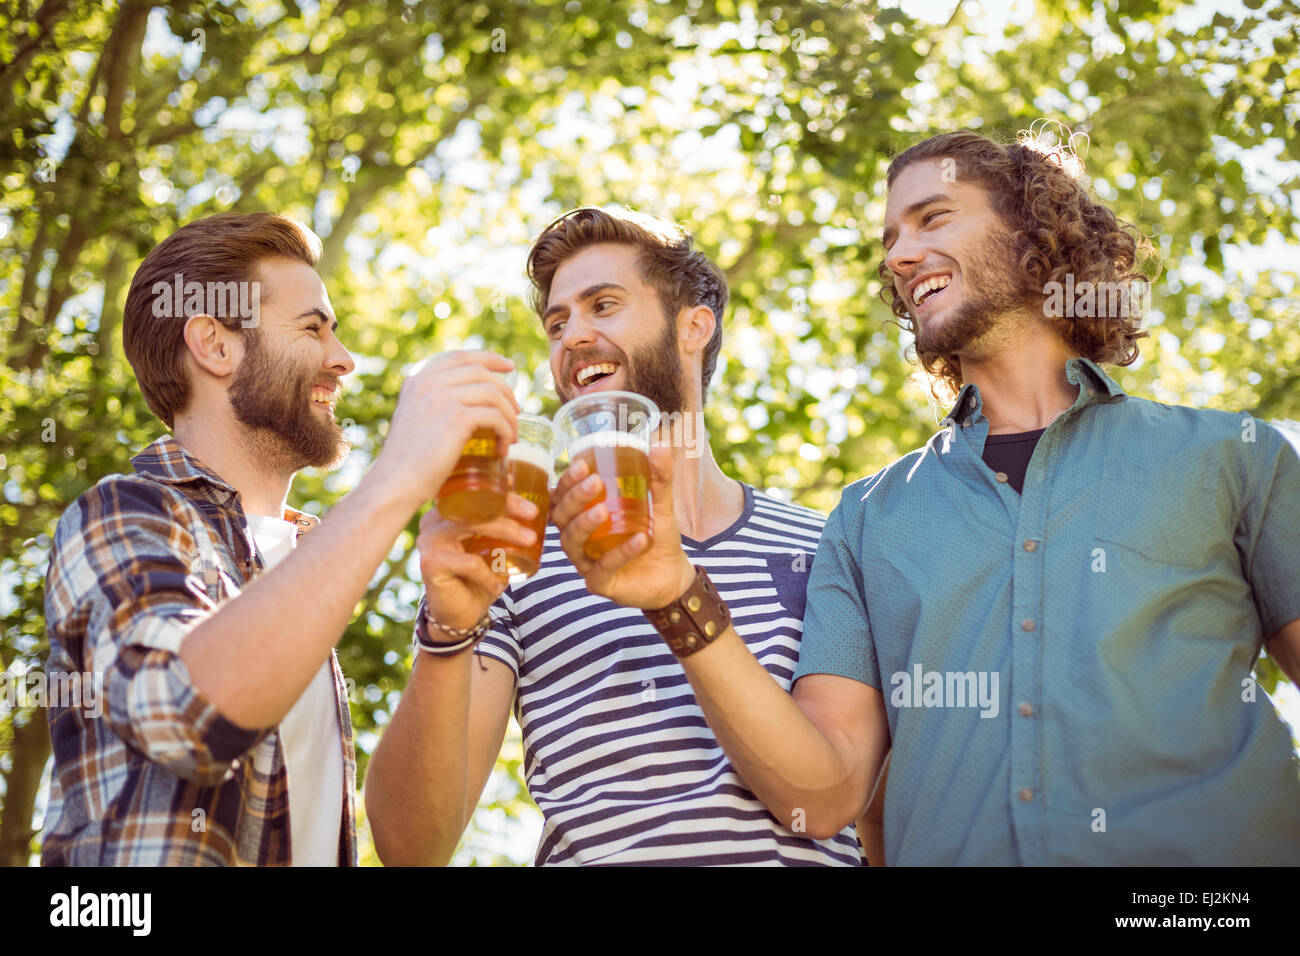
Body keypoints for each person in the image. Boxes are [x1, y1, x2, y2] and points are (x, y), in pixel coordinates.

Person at [545, 131, 1300, 865]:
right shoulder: (867, 521)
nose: (900, 256)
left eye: (933, 218)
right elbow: (827, 794)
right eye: (890, 240)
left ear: (1033, 230)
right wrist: (678, 595)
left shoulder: (1231, 460)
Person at [365, 207, 863, 865]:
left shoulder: (826, 545)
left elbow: (825, 803)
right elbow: (410, 848)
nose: (573, 336)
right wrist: (447, 627)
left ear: (693, 327)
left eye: (604, 304)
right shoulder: (519, 557)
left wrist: (676, 595)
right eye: (557, 322)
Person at [42, 212, 529, 865]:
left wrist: (449, 627)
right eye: (313, 327)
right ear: (215, 346)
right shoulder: (123, 513)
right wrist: (394, 478)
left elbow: (415, 853)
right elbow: (189, 715)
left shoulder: (305, 564)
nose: (343, 359)